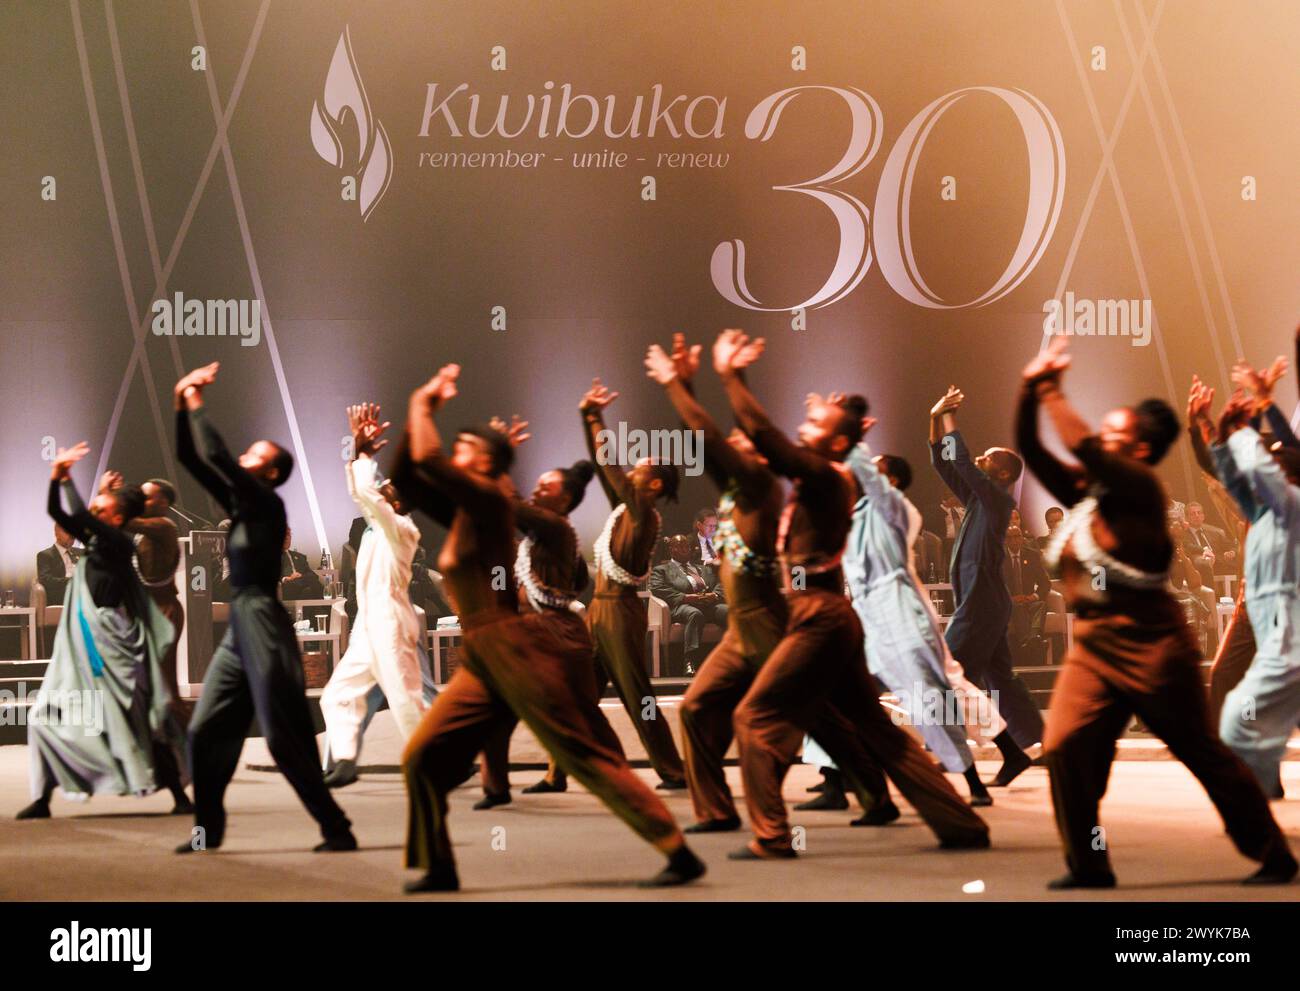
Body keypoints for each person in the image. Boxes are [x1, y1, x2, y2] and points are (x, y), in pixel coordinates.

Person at [395, 363, 704, 891]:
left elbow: (428, 458)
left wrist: (423, 400)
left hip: (517, 646)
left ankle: (676, 847)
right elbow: (409, 474)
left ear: (487, 461)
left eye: (466, 444)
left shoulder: (494, 503)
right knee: (421, 757)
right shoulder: (471, 508)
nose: (455, 449)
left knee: (585, 751)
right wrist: (413, 425)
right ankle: (439, 864)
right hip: (483, 655)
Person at [1018, 335, 1295, 888]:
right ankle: (1089, 863)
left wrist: (1052, 392)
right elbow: (1031, 444)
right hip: (1094, 645)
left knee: (1202, 751)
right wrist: (1030, 391)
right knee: (1067, 747)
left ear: (1141, 450)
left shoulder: (1140, 486)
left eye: (1113, 434)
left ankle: (1273, 853)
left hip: (1153, 642)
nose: (1099, 439)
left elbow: (1087, 450)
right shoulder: (1087, 492)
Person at [716, 330, 990, 859]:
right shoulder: (822, 473)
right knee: (878, 732)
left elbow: (764, 435)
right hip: (836, 617)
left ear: (840, 444)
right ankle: (962, 824)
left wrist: (731, 376)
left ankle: (772, 837)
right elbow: (766, 444)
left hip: (820, 617)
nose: (807, 423)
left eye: (818, 423)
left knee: (754, 716)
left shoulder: (823, 474)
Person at [173, 362, 356, 854]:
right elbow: (191, 458)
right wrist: (178, 406)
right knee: (205, 730)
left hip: (263, 622)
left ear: (270, 472)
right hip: (241, 624)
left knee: (283, 736)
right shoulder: (241, 506)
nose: (244, 456)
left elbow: (213, 451)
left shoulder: (267, 505)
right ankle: (205, 832)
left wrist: (195, 399)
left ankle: (336, 826)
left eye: (256, 454)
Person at [646, 333, 793, 832]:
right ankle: (716, 811)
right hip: (739, 627)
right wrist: (696, 382)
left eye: (741, 443)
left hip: (767, 623)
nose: (730, 445)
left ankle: (774, 833)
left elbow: (713, 436)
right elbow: (712, 443)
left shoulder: (760, 485)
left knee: (787, 722)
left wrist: (676, 385)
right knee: (693, 710)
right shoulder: (736, 488)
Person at [18, 443, 188, 819]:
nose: (95, 511)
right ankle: (43, 799)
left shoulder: (117, 540)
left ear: (118, 517)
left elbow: (78, 510)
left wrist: (66, 476)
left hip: (112, 640)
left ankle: (180, 795)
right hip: (86, 644)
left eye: (104, 508)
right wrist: (56, 478)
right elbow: (58, 512)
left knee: (140, 717)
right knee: (46, 718)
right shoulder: (99, 536)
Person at [833, 441, 996, 806]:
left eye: (875, 469)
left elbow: (870, 482)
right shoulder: (857, 514)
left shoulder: (896, 509)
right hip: (869, 616)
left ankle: (973, 784)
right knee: (848, 695)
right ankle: (854, 784)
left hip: (901, 614)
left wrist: (850, 439)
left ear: (889, 479)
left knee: (928, 700)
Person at [478, 417, 599, 804]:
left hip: (554, 633)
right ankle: (512, 783)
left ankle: (505, 785)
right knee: (513, 709)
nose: (535, 488)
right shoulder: (553, 532)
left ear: (562, 500)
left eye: (545, 486)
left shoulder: (551, 526)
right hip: (547, 628)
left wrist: (497, 456)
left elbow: (505, 505)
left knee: (564, 716)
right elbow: (579, 578)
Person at [929, 384, 1043, 786]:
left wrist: (948, 417)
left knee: (950, 674)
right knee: (1001, 678)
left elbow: (960, 460)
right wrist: (933, 418)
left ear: (1004, 473)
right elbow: (947, 466)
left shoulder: (998, 500)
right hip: (982, 602)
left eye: (990, 458)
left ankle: (954, 750)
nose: (982, 459)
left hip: (981, 602)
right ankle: (1038, 745)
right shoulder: (981, 500)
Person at [580, 377, 688, 789]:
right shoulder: (626, 509)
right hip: (600, 609)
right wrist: (589, 416)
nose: (634, 466)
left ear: (655, 484)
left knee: (637, 697)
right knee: (580, 694)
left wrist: (594, 415)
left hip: (620, 612)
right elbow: (604, 466)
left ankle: (673, 770)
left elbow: (608, 465)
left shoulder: (643, 512)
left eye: (643, 467)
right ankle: (558, 770)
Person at [319, 404, 430, 789]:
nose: (381, 489)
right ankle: (346, 761)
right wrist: (356, 455)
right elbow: (360, 491)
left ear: (397, 503)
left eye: (388, 489)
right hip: (370, 620)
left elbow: (366, 492)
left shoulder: (402, 530)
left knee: (405, 701)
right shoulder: (377, 527)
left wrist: (365, 454)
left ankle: (443, 760)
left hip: (390, 618)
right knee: (337, 694)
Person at [1211, 383, 1300, 796]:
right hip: (1256, 608)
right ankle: (1252, 775)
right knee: (1228, 678)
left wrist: (1255, 416)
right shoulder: (1260, 505)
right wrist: (1216, 429)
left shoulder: (1291, 504)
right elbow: (1224, 472)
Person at [650, 534, 728, 673]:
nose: (685, 549)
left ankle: (736, 656)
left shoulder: (703, 568)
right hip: (682, 606)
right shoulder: (661, 570)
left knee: (729, 612)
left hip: (708, 605)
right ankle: (690, 660)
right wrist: (687, 598)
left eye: (686, 546)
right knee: (695, 614)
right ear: (671, 549)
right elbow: (658, 589)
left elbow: (720, 583)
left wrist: (715, 595)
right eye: (680, 546)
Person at [1003, 524, 1051, 655]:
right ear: (1005, 540)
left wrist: (1033, 597)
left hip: (1028, 600)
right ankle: (1028, 641)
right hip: (1007, 603)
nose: (1014, 540)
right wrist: (1010, 598)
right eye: (1010, 538)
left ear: (1022, 538)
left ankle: (1033, 638)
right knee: (1018, 606)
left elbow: (1045, 583)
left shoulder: (1032, 555)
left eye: (1017, 536)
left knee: (1041, 604)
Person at [36, 524, 80, 606]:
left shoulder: (81, 553)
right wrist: (71, 581)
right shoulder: (45, 555)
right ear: (57, 534)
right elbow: (45, 580)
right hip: (62, 598)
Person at [279, 527, 324, 600]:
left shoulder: (300, 557)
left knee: (309, 590)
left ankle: (329, 609)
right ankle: (330, 609)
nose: (287, 538)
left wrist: (301, 575)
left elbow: (312, 575)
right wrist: (288, 578)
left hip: (302, 585)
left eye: (288, 535)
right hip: (287, 588)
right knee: (310, 587)